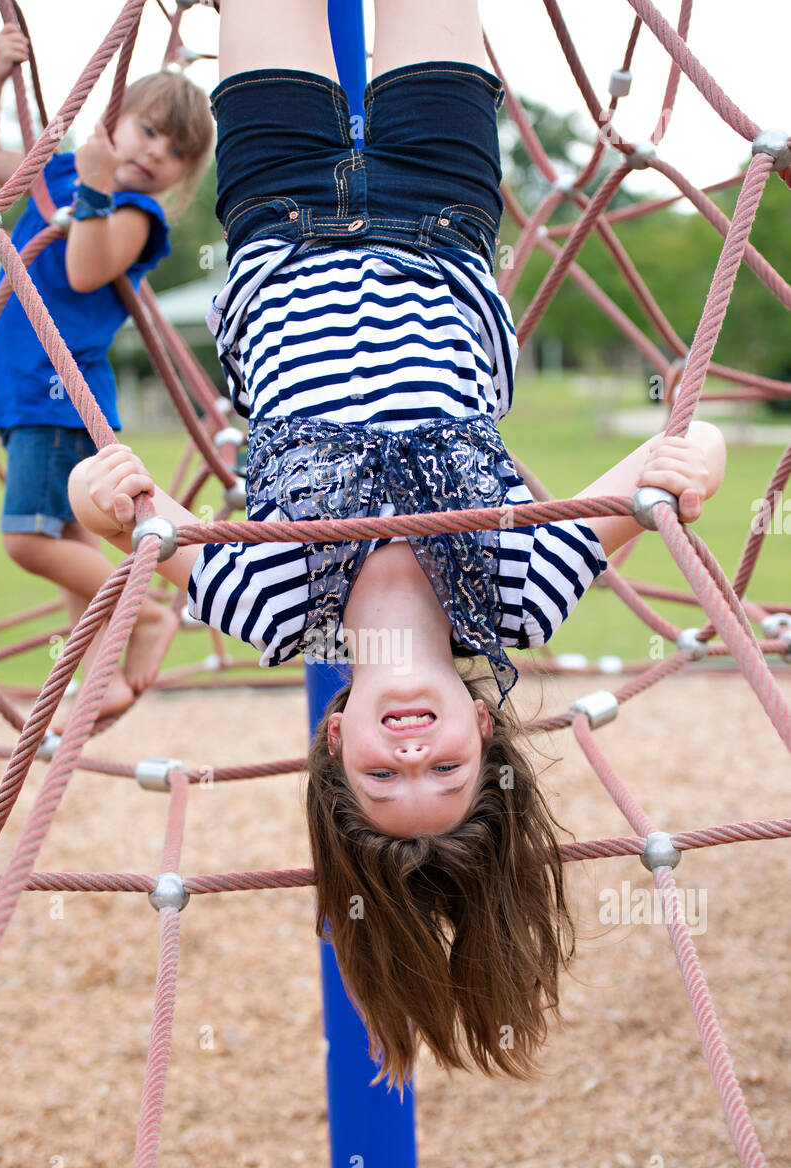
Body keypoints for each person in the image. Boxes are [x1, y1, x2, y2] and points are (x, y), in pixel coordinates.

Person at [69, 0, 727, 1091]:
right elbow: (678, 444)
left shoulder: (267, 609)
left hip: (277, 215)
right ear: (484, 726)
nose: (413, 745)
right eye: (446, 767)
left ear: (336, 742)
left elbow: (134, 521)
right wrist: (689, 464)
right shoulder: (522, 594)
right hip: (442, 207)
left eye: (386, 772)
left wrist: (103, 496)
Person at [0, 22, 213, 718]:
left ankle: (150, 617)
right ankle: (104, 673)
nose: (156, 153)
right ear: (115, 122)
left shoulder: (133, 210)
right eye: (148, 131)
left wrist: (99, 183)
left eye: (176, 151)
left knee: (29, 540)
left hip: (58, 394)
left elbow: (83, 267)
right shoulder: (65, 170)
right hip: (22, 388)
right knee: (66, 537)